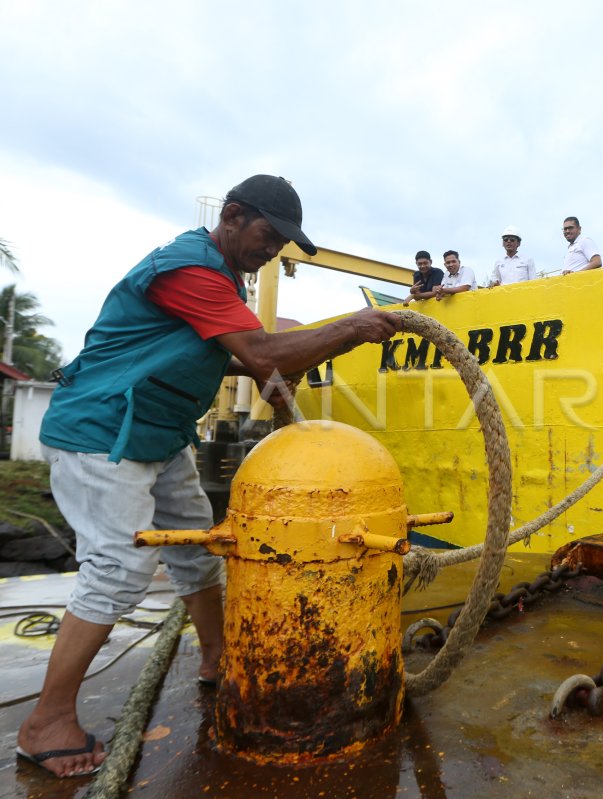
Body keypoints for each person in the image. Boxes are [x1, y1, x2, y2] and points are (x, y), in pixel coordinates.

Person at [17, 175, 405, 778]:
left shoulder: (220, 279)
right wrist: (352, 328)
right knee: (118, 569)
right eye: (268, 234)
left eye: (282, 242)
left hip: (160, 435)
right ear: (231, 216)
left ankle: (219, 659)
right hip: (103, 433)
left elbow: (210, 348)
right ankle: (47, 720)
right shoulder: (190, 269)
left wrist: (254, 369)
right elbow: (262, 351)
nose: (273, 249)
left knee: (201, 549)